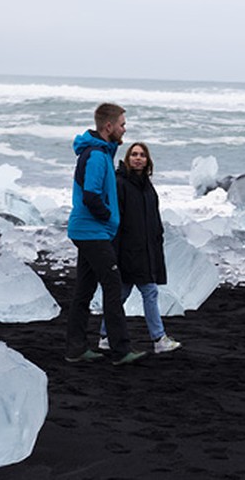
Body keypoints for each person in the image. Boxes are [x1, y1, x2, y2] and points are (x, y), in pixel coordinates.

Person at [65, 103, 147, 366]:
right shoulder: (97, 156)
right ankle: (121, 351)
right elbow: (91, 195)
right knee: (112, 287)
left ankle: (76, 349)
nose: (125, 128)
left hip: (90, 231)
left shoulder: (99, 153)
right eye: (122, 124)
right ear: (108, 126)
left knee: (84, 290)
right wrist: (108, 217)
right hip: (92, 232)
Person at [98, 142, 182, 354]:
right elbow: (116, 220)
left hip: (146, 250)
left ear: (147, 160)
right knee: (149, 291)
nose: (138, 158)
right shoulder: (120, 183)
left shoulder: (147, 186)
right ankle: (158, 339)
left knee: (122, 295)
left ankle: (105, 336)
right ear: (128, 158)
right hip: (128, 251)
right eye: (134, 154)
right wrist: (113, 252)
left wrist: (158, 238)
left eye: (142, 155)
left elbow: (153, 218)